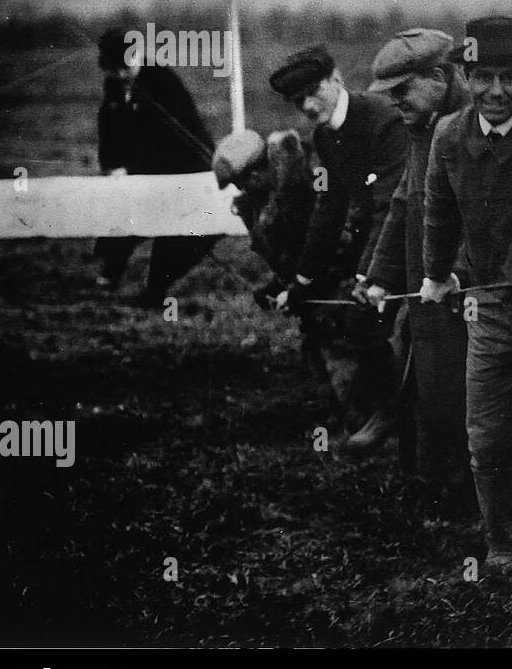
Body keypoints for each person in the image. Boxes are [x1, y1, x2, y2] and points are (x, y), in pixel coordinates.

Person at [413, 15, 512, 573]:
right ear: (466, 77)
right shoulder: (449, 135)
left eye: (510, 77)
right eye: (483, 77)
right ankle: (502, 539)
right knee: (489, 439)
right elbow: (439, 210)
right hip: (489, 311)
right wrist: (437, 273)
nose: (496, 91)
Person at [269, 44, 409, 447]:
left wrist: (370, 275)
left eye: (316, 91)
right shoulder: (325, 139)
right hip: (377, 236)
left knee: (376, 319)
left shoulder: (383, 119)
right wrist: (303, 278)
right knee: (357, 321)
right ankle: (385, 411)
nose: (309, 105)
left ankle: (400, 415)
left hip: (413, 230)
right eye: (299, 101)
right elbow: (329, 209)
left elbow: (389, 205)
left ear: (337, 79)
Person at [361, 29, 474, 513]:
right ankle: (435, 486)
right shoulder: (419, 129)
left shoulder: (476, 125)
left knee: (474, 395)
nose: (395, 104)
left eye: (402, 91)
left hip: (471, 293)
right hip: (425, 292)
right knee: (430, 384)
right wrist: (379, 276)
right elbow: (404, 202)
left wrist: (458, 276)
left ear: (438, 76)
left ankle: (477, 500)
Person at [213, 127, 368, 430]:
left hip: (338, 291)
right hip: (312, 295)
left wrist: (299, 286)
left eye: (247, 178)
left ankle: (362, 424)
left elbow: (330, 247)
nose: (244, 188)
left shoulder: (303, 194)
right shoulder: (263, 204)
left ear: (261, 169)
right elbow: (290, 257)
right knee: (317, 351)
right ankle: (342, 419)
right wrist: (277, 286)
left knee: (339, 349)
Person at [93, 26, 220, 306]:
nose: (121, 76)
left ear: (137, 55)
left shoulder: (162, 81)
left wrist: (132, 169)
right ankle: (111, 273)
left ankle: (154, 287)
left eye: (125, 68)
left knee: (175, 231)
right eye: (114, 71)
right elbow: (109, 127)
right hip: (142, 168)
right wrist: (111, 165)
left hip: (185, 166)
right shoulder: (114, 85)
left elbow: (163, 136)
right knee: (124, 211)